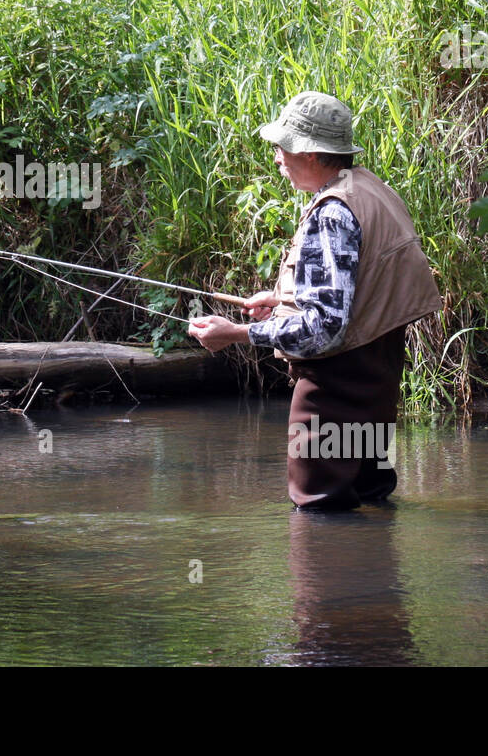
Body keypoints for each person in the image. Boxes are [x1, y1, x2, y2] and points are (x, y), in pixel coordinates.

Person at [187, 91, 441, 510]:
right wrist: (285, 297)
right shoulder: (370, 189)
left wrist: (238, 333)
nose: (276, 158)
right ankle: (377, 577)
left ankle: (330, 577)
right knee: (371, 498)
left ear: (309, 153)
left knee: (319, 513)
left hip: (334, 391)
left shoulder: (332, 212)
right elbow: (362, 285)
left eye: (281, 147)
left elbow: (323, 328)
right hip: (375, 384)